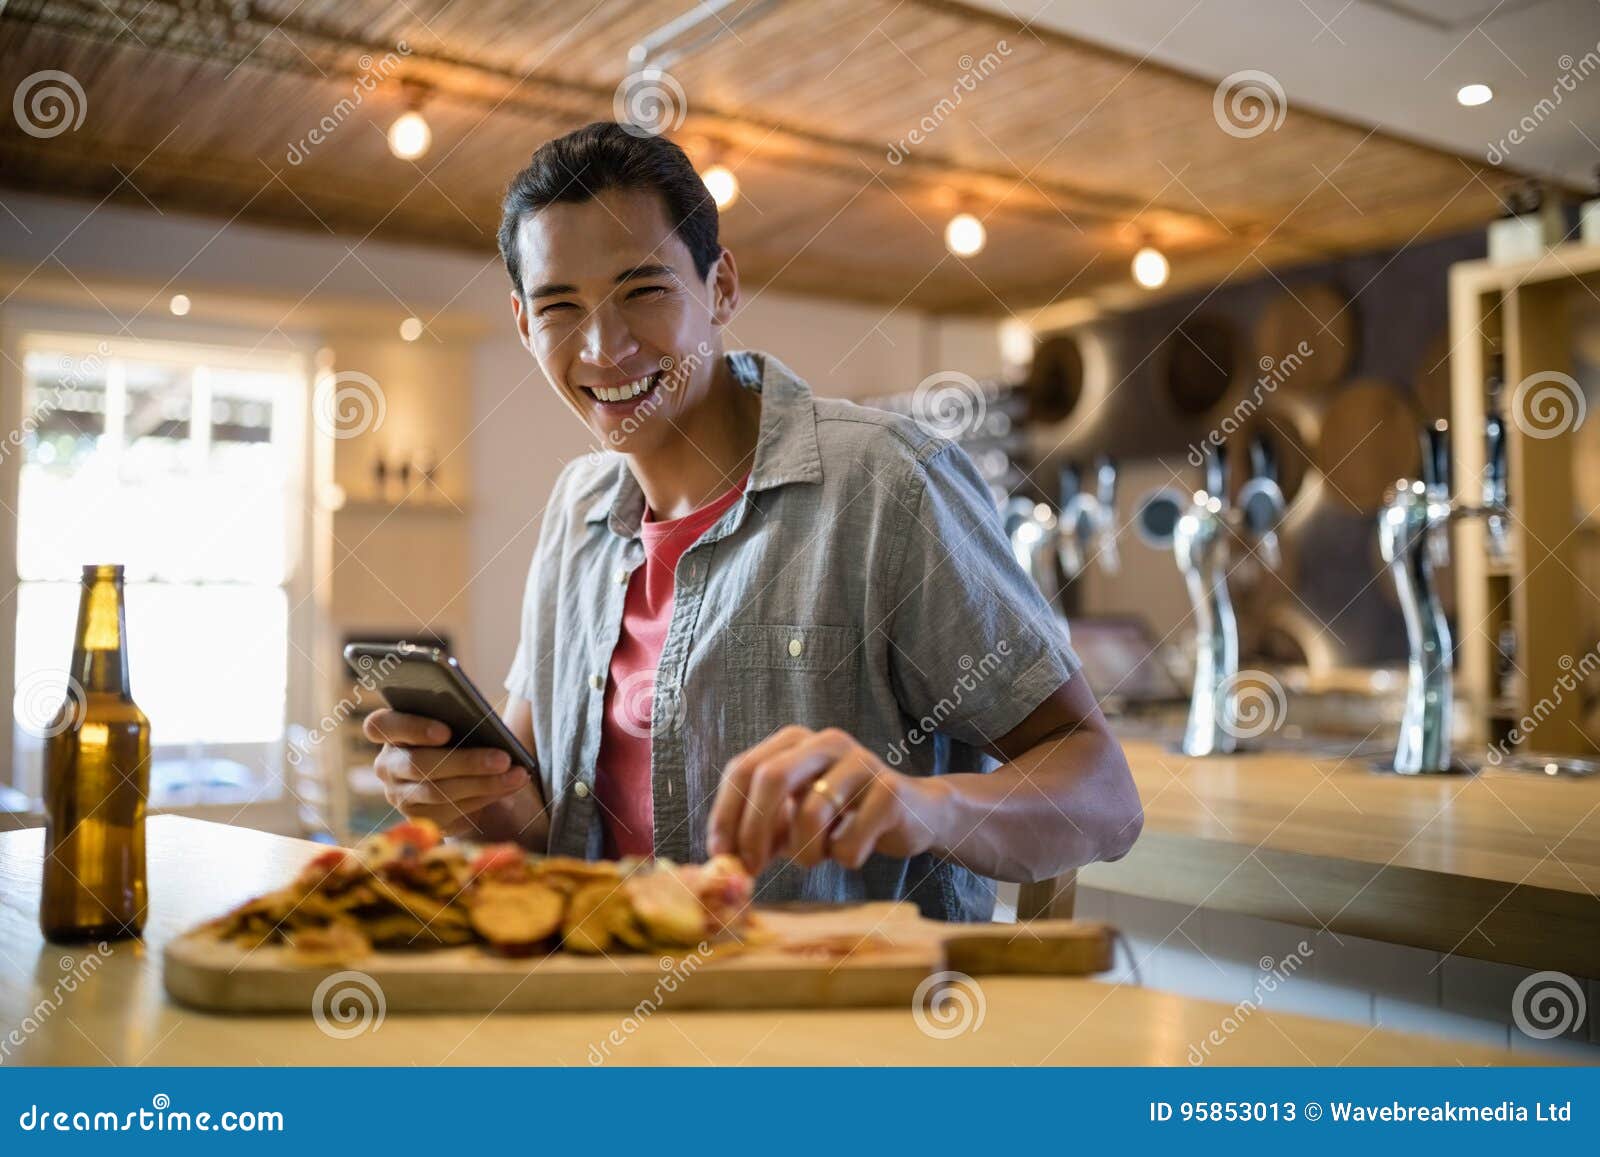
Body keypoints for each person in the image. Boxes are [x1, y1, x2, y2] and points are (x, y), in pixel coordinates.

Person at [366, 122, 1142, 920]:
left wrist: (923, 804)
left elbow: (1106, 795)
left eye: (643, 290)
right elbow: (547, 829)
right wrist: (463, 796)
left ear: (722, 287)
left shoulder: (886, 482)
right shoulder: (576, 508)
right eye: (560, 307)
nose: (602, 347)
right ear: (526, 326)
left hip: (847, 1024)